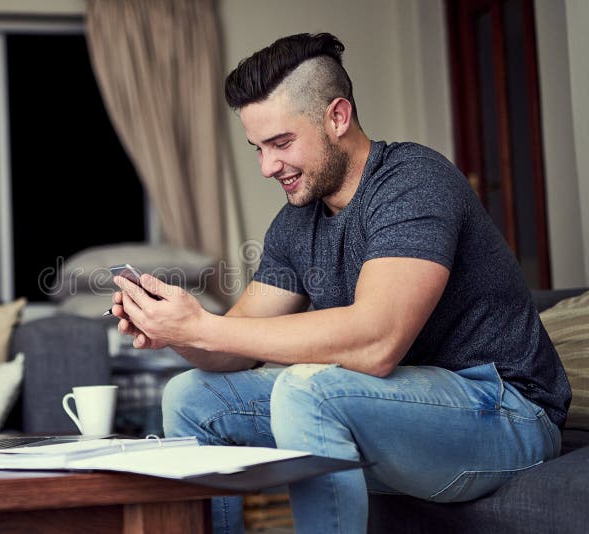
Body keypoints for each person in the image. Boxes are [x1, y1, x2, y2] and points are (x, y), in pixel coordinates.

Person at [109, 32, 571, 534]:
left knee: (309, 390)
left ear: (337, 117)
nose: (267, 166)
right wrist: (178, 330)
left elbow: (378, 341)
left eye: (281, 143)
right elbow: (233, 345)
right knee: (190, 397)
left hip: (507, 413)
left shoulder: (413, 181)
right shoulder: (296, 221)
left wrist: (202, 328)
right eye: (257, 148)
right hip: (394, 410)